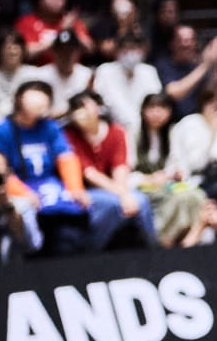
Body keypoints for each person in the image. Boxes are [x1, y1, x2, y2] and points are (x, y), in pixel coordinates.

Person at [0, 79, 105, 253]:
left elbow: (66, 157)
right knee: (25, 214)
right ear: (19, 100)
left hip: (51, 187)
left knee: (81, 215)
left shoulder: (50, 127)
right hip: (18, 189)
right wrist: (23, 193)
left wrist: (75, 187)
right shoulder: (1, 131)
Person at [62, 89, 158, 249]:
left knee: (141, 201)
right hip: (86, 189)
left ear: (98, 108)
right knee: (113, 204)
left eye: (84, 107)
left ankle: (153, 249)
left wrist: (125, 194)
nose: (80, 113)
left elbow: (120, 167)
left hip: (115, 186)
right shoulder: (69, 135)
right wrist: (123, 196)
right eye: (76, 109)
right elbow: (89, 173)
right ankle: (90, 252)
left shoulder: (116, 131)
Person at [129, 91, 206, 246]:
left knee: (196, 195)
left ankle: (190, 240)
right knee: (178, 199)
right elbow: (125, 171)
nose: (157, 113)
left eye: (162, 108)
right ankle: (162, 241)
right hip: (141, 186)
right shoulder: (133, 134)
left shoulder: (173, 133)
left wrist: (175, 173)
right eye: (152, 108)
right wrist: (148, 178)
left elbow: (178, 163)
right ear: (143, 110)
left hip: (166, 184)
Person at [92, 28, 163, 141]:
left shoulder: (149, 72)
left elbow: (155, 104)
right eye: (126, 48)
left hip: (145, 133)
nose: (131, 53)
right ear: (117, 51)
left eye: (135, 48)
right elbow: (100, 105)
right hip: (113, 131)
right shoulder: (104, 71)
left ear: (142, 51)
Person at [14, 29, 92, 115]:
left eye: (70, 51)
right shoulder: (40, 76)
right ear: (54, 52)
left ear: (78, 52)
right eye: (62, 50)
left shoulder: (87, 75)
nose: (66, 55)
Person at [14, 0, 91, 64]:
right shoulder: (26, 22)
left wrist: (72, 31)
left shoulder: (71, 21)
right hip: (38, 72)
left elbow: (90, 49)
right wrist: (61, 31)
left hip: (70, 71)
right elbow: (26, 52)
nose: (57, 0)